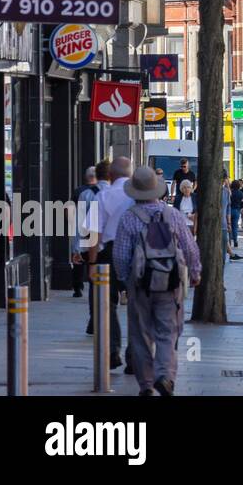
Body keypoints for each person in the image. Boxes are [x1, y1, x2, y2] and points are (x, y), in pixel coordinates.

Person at [113, 166, 201, 396]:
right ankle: (165, 376)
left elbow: (121, 255)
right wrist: (194, 272)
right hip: (170, 283)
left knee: (141, 335)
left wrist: (125, 281)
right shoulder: (172, 215)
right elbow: (189, 246)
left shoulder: (129, 218)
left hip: (141, 284)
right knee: (168, 332)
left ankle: (146, 384)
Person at [95, 156, 136, 371]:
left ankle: (113, 351)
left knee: (107, 305)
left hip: (109, 254)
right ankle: (134, 356)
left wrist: (93, 262)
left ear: (110, 175)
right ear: (130, 173)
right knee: (136, 306)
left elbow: (95, 233)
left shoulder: (102, 196)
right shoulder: (137, 196)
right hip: (134, 254)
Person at [71, 165, 102, 298]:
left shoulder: (80, 192)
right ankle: (94, 284)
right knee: (94, 259)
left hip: (84, 229)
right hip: (99, 232)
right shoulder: (103, 191)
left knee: (79, 258)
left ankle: (77, 287)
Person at [229, 179, 243, 249]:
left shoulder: (230, 192)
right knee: (235, 226)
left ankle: (229, 241)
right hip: (237, 210)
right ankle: (235, 240)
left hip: (230, 210)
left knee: (229, 226)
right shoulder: (241, 193)